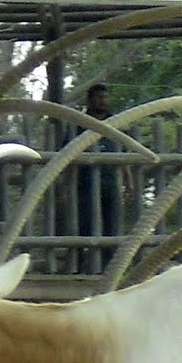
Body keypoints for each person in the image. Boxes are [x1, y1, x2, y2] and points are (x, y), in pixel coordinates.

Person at [75, 82, 123, 270]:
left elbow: (123, 151)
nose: (103, 101)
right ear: (90, 100)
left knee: (110, 225)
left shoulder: (116, 122)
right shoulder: (79, 124)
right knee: (84, 224)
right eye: (99, 97)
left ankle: (108, 266)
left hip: (109, 182)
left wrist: (127, 180)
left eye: (105, 97)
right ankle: (82, 264)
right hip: (84, 183)